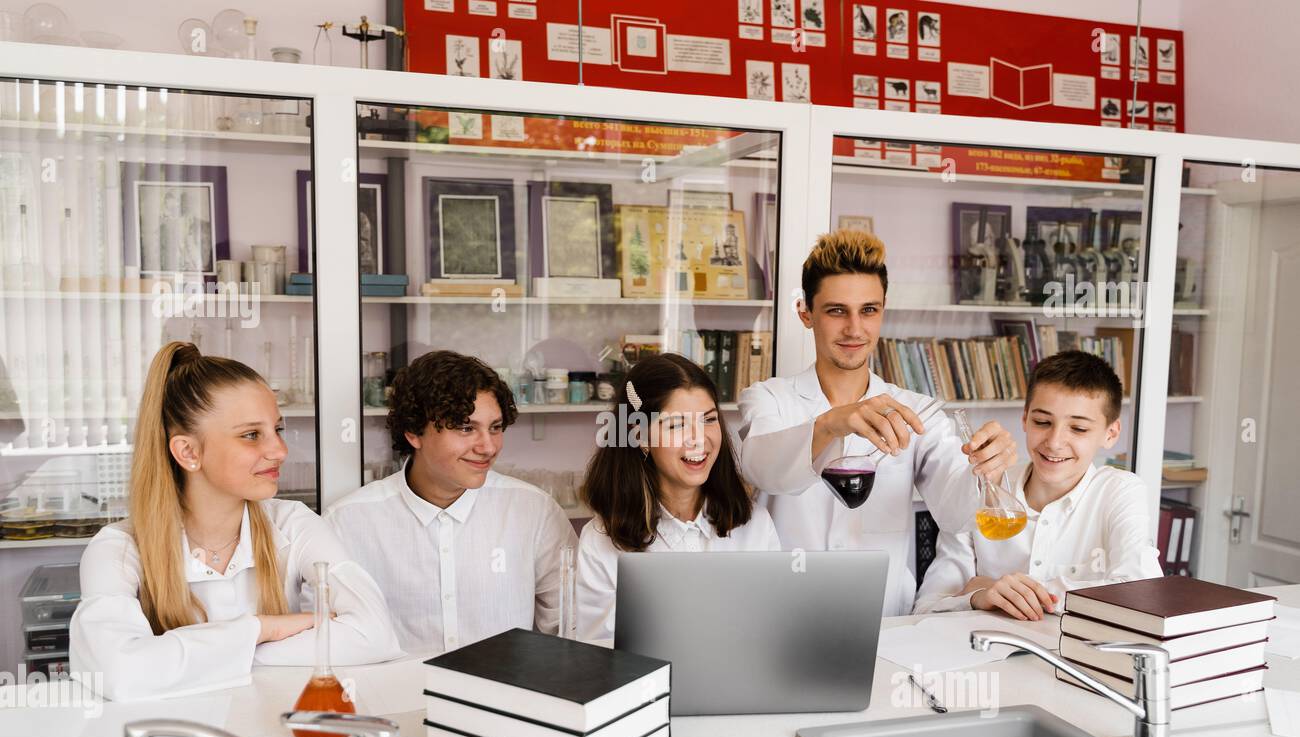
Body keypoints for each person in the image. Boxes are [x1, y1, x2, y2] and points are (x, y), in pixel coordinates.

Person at [70, 342, 401, 701]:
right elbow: (118, 673)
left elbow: (375, 634)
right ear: (189, 452)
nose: (280, 451)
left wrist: (214, 656)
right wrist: (264, 628)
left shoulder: (293, 524)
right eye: (251, 435)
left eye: (278, 429)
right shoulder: (117, 549)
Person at [737, 229, 1018, 617]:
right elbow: (764, 470)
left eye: (868, 310)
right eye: (837, 311)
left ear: (883, 311)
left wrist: (987, 470)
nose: (855, 329)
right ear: (805, 313)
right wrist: (832, 423)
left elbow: (957, 514)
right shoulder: (769, 398)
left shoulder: (918, 412)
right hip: (782, 616)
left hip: (884, 621)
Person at [326, 350, 576, 654]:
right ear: (413, 433)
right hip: (394, 699)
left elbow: (571, 630)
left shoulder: (534, 511)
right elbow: (326, 639)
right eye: (466, 428)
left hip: (505, 696)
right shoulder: (347, 522)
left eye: (495, 427)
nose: (488, 447)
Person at [913, 350, 1163, 619]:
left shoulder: (1119, 490)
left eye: (1078, 429)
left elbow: (1141, 590)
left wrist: (1004, 591)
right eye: (1042, 422)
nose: (1054, 442)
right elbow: (926, 608)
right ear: (1024, 419)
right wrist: (978, 597)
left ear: (1110, 433)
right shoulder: (983, 489)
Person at [576, 353, 781, 643]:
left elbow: (772, 631)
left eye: (708, 420)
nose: (699, 439)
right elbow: (599, 654)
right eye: (676, 425)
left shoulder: (754, 524)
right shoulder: (601, 541)